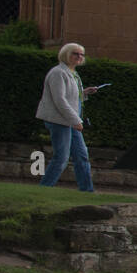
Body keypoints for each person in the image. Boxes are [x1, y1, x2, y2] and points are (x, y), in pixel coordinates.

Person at [36, 43, 99, 192]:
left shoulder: (73, 73)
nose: (79, 57)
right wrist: (76, 120)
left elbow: (71, 97)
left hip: (70, 121)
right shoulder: (58, 73)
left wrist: (84, 93)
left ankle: (87, 191)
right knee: (61, 158)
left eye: (81, 54)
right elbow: (59, 100)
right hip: (60, 121)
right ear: (66, 55)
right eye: (75, 54)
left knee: (82, 156)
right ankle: (44, 189)